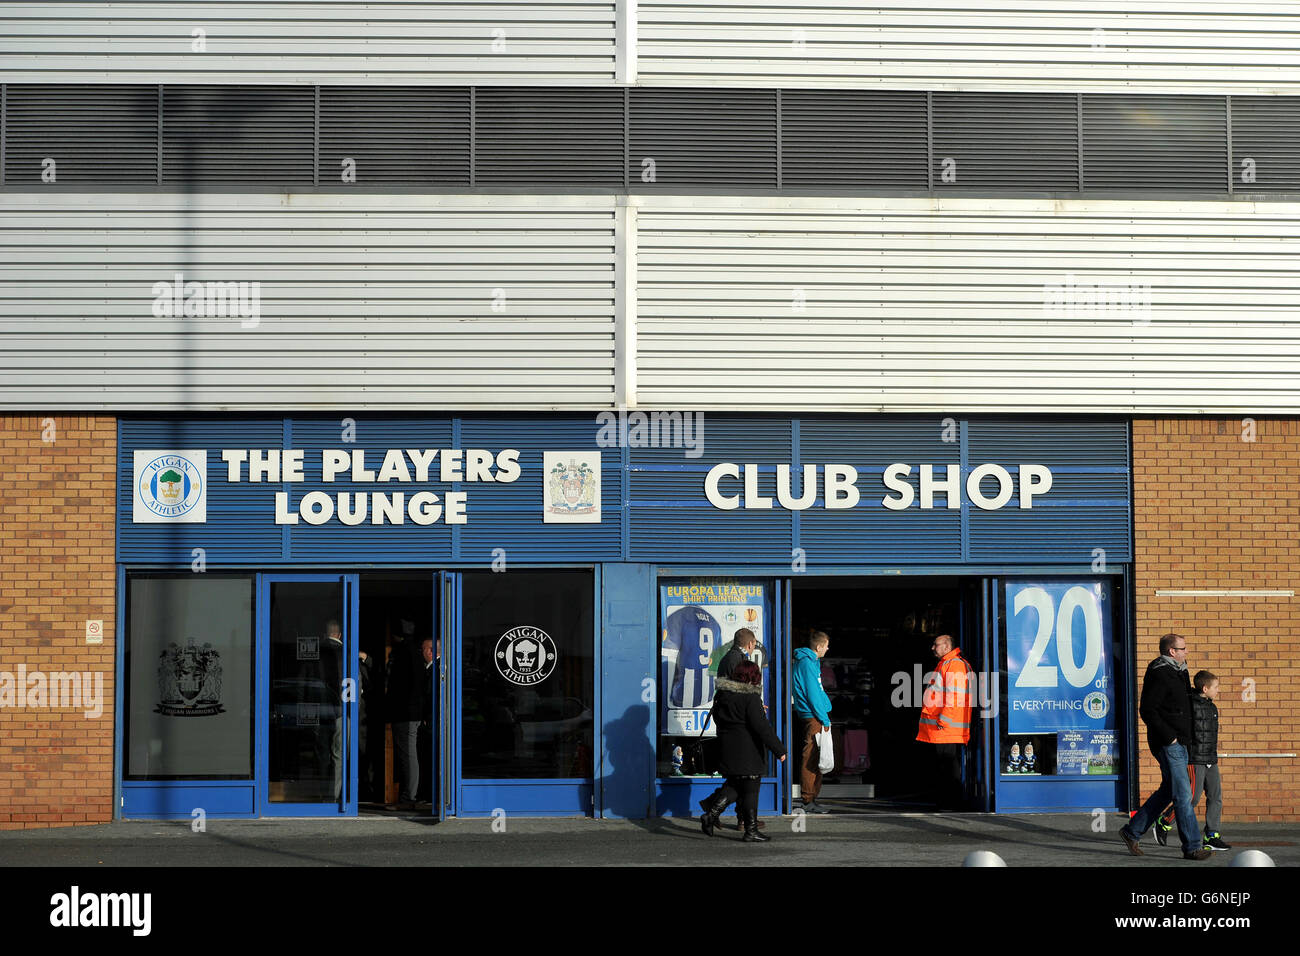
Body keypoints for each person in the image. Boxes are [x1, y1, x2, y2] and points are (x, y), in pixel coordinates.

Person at [1119, 633, 1212, 860]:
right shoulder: (1160, 673)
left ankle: (1132, 831)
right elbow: (1148, 710)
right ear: (1172, 651)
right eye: (1183, 648)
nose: (1186, 651)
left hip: (1181, 742)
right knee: (1183, 794)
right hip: (1168, 743)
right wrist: (1170, 738)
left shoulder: (1180, 671)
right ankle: (1192, 846)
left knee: (1169, 791)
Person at [697, 661, 786, 842]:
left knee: (736, 786)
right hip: (748, 751)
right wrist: (779, 750)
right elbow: (762, 728)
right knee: (751, 790)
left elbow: (721, 718)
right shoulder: (750, 697)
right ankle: (750, 830)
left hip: (728, 749)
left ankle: (711, 814)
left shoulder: (722, 695)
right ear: (753, 677)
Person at [1153, 670, 1230, 851]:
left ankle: (1212, 835)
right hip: (1194, 760)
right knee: (1192, 799)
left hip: (1211, 759)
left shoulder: (1212, 707)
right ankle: (1164, 821)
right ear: (1205, 688)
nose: (1218, 690)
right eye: (1216, 687)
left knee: (1215, 797)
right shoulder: (1190, 706)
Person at [915, 633, 972, 811]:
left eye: (936, 644)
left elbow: (955, 696)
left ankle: (950, 803)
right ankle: (947, 802)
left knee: (948, 767)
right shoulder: (948, 664)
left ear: (947, 647)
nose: (933, 648)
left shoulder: (954, 665)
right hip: (945, 727)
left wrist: (944, 720)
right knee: (946, 766)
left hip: (947, 728)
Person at [792, 630, 833, 813]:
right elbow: (813, 694)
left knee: (816, 756)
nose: (827, 648)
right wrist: (824, 718)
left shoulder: (809, 662)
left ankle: (811, 798)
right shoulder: (808, 663)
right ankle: (808, 800)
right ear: (819, 646)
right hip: (814, 716)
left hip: (814, 714)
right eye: (826, 645)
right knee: (812, 757)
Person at [386, 619, 423, 811]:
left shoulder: (403, 653)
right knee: (408, 755)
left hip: (405, 712)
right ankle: (408, 796)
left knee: (407, 755)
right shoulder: (414, 652)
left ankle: (409, 798)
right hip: (410, 711)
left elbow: (400, 686)